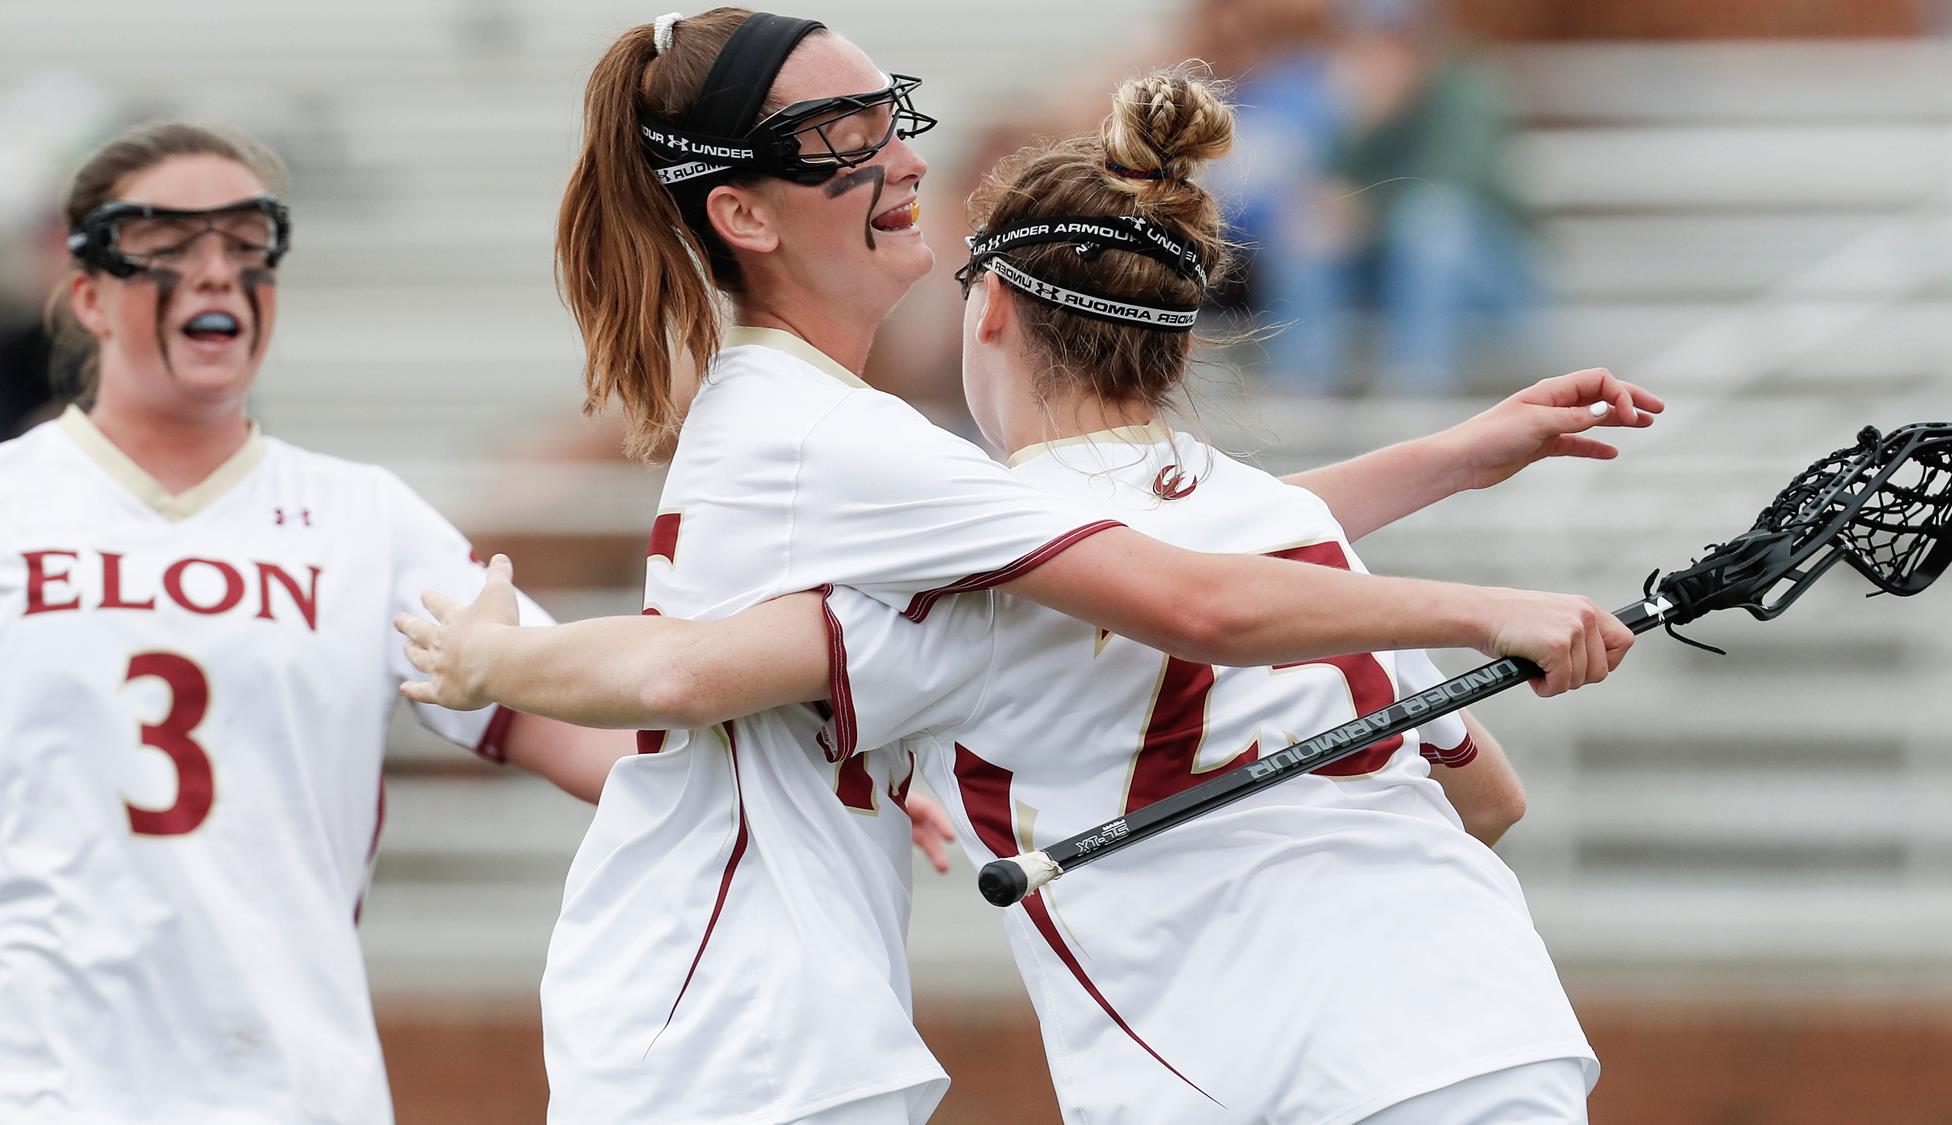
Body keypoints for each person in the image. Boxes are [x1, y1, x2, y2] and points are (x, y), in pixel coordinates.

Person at [402, 64, 1658, 1122]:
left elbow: (682, 671)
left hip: (1227, 1081)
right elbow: (1485, 797)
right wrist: (1459, 494)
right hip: (1489, 1034)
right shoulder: (1297, 537)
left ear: (989, 311)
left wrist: (488, 664)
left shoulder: (970, 585)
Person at [0, 122, 640, 1123]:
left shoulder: (364, 521)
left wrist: (785, 777)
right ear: (88, 294)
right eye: (170, 250)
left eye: (249, 248)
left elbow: (584, 725)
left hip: (290, 1088)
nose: (218, 276)